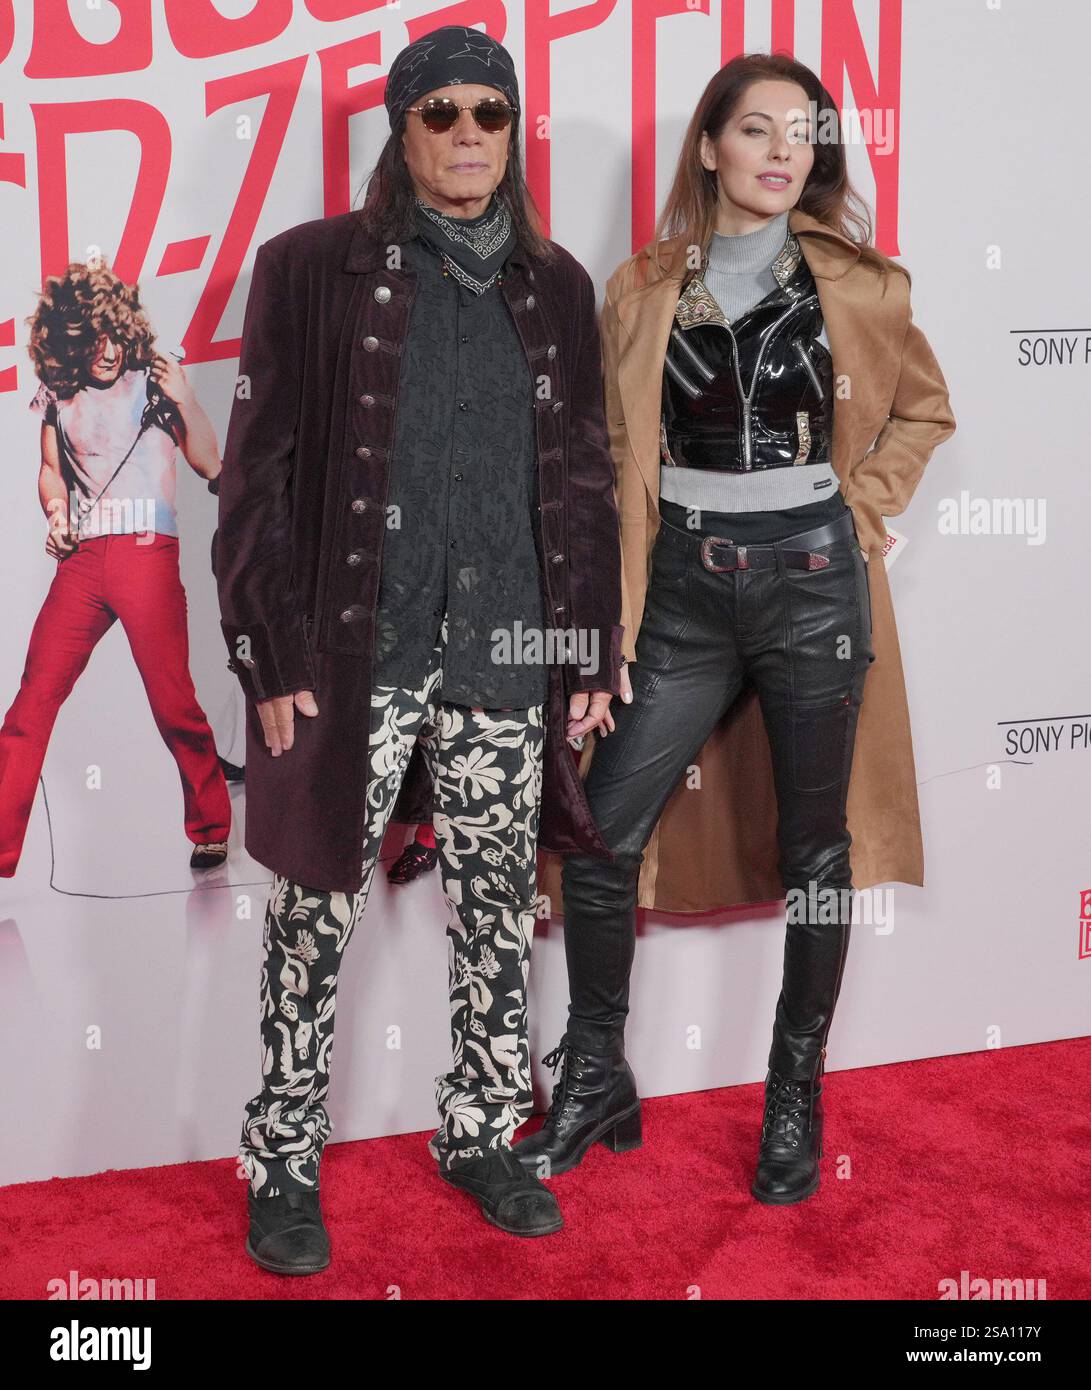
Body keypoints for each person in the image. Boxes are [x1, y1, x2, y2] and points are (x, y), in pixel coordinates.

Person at [217, 25, 624, 1274]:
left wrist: (588, 655)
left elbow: (584, 480)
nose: (464, 135)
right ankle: (282, 1153)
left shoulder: (555, 286)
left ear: (511, 130)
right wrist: (267, 648)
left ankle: (479, 1127)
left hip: (508, 651)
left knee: (499, 909)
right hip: (350, 653)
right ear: (401, 129)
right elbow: (255, 479)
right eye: (438, 112)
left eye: (487, 114)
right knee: (313, 913)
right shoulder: (306, 271)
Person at [515, 53, 956, 1206]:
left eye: (800, 134)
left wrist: (853, 508)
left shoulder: (863, 287)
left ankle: (792, 1092)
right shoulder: (641, 284)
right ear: (708, 146)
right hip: (681, 592)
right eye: (754, 130)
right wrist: (603, 625)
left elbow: (921, 410)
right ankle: (598, 1072)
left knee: (819, 855)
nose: (778, 152)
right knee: (599, 837)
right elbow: (611, 457)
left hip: (814, 583)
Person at [0, 260, 230, 876]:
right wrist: (55, 514)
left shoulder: (155, 384)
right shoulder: (60, 392)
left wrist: (184, 396)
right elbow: (51, 471)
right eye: (89, 337)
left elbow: (211, 464)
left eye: (111, 334)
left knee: (173, 701)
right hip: (82, 562)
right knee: (31, 703)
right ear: (71, 337)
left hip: (146, 554)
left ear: (127, 328)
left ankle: (210, 826)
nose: (104, 351)